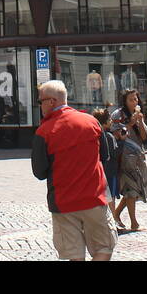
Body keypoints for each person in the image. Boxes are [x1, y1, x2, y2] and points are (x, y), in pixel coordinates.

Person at [31, 80, 117, 262]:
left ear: (52, 101)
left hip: (63, 203)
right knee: (104, 248)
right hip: (94, 198)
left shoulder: (43, 132)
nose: (40, 105)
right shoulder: (91, 122)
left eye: (41, 101)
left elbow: (39, 172)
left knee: (74, 256)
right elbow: (104, 156)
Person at [110, 88, 147, 232]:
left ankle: (116, 214)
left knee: (133, 188)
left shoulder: (139, 114)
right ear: (125, 101)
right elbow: (116, 134)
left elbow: (144, 137)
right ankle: (134, 223)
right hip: (125, 156)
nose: (135, 101)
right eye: (131, 99)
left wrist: (139, 121)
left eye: (136, 98)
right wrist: (130, 124)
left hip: (138, 155)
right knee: (130, 189)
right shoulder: (118, 114)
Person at [91, 107, 120, 220]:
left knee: (104, 198)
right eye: (109, 120)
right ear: (104, 122)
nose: (111, 121)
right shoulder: (108, 136)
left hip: (100, 172)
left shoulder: (94, 134)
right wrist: (121, 141)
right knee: (110, 197)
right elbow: (114, 153)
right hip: (110, 172)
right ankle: (113, 220)